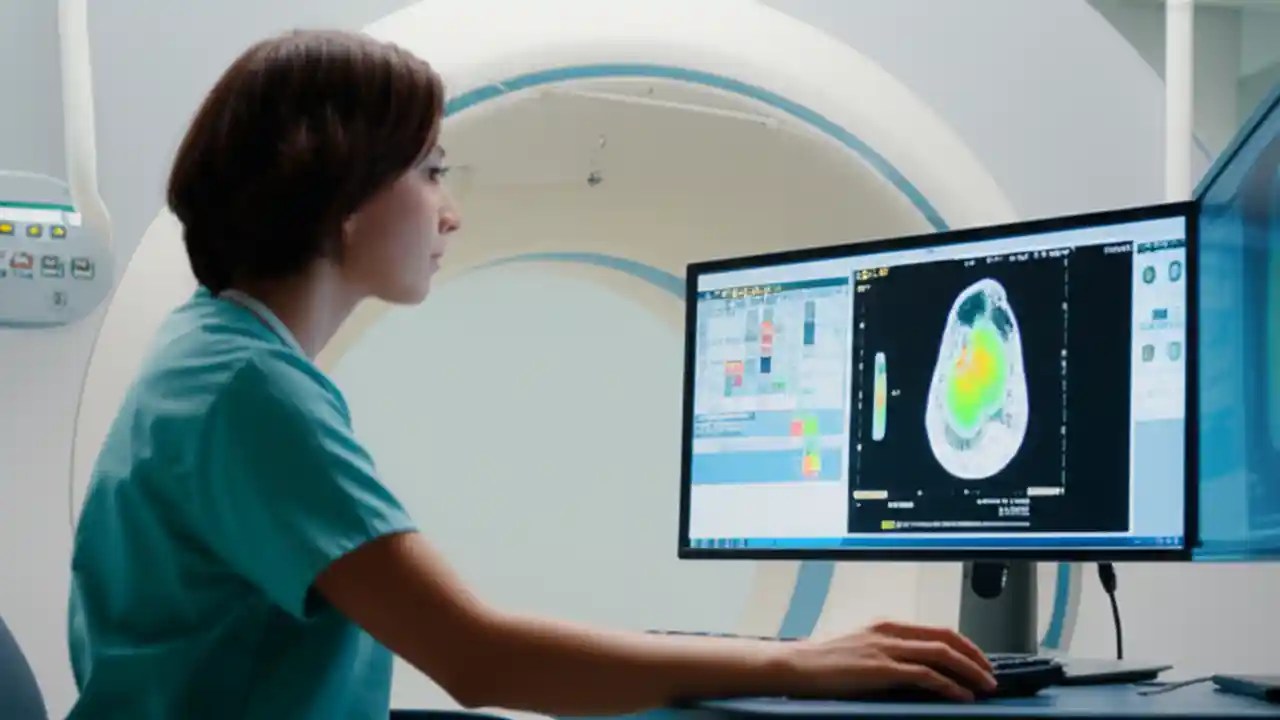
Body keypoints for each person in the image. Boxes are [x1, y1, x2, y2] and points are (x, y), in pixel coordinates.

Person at [66, 29, 996, 719]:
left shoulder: (209, 355)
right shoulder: (252, 394)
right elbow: (480, 659)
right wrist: (800, 661)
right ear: (343, 196)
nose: (452, 212)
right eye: (431, 171)